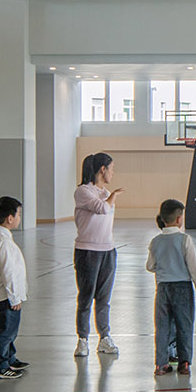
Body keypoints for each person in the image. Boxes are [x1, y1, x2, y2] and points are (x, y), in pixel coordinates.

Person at [147, 198, 196, 376]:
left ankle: (161, 364)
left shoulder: (155, 241)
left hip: (163, 288)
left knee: (162, 326)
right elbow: (193, 265)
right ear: (179, 219)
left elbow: (150, 266)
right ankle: (184, 362)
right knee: (184, 325)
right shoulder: (184, 239)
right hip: (182, 287)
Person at [74, 152, 123, 359]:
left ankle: (104, 337)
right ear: (102, 169)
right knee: (86, 297)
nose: (113, 172)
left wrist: (110, 195)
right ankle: (82, 340)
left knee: (104, 298)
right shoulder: (83, 192)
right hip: (87, 251)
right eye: (111, 168)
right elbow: (101, 209)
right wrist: (113, 196)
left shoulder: (105, 192)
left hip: (107, 251)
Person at [0, 196, 29, 380]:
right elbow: (8, 273)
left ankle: (10, 358)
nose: (19, 218)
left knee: (10, 328)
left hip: (7, 295)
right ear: (10, 218)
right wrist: (14, 297)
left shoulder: (1, 236)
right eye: (18, 214)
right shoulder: (3, 242)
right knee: (6, 330)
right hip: (7, 296)